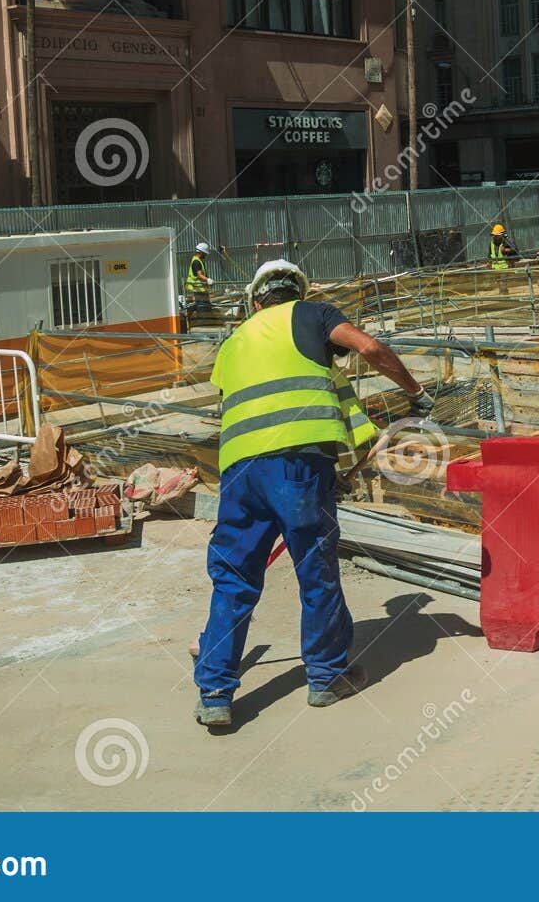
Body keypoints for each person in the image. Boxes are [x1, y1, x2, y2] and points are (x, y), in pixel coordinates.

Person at [193, 260, 432, 730]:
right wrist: (415, 391)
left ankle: (216, 691)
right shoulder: (312, 314)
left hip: (239, 470)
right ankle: (325, 678)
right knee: (315, 569)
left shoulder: (233, 341)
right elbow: (370, 348)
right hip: (298, 464)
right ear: (296, 293)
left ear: (255, 301)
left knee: (234, 578)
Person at [185, 242, 214, 315]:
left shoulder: (199, 261)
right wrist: (208, 280)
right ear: (201, 252)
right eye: (205, 253)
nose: (206, 255)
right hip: (198, 289)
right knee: (202, 307)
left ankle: (206, 320)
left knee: (206, 306)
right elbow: (199, 275)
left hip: (201, 289)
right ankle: (203, 321)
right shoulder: (196, 262)